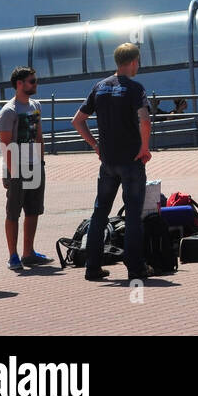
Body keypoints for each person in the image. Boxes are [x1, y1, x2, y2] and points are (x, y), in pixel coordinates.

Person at [72, 44, 152, 283]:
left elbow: (78, 120)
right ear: (133, 61)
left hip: (107, 161)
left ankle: (92, 267)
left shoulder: (100, 87)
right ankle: (135, 268)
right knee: (133, 213)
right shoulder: (135, 88)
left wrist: (95, 145)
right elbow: (145, 121)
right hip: (131, 160)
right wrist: (144, 148)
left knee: (100, 213)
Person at [0, 67, 50, 270]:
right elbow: (6, 146)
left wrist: (41, 163)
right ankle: (13, 256)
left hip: (35, 166)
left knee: (33, 210)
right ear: (19, 84)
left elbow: (39, 136)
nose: (35, 84)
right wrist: (11, 173)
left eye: (35, 80)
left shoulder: (35, 105)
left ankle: (29, 252)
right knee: (13, 213)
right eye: (32, 81)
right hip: (16, 168)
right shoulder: (9, 112)